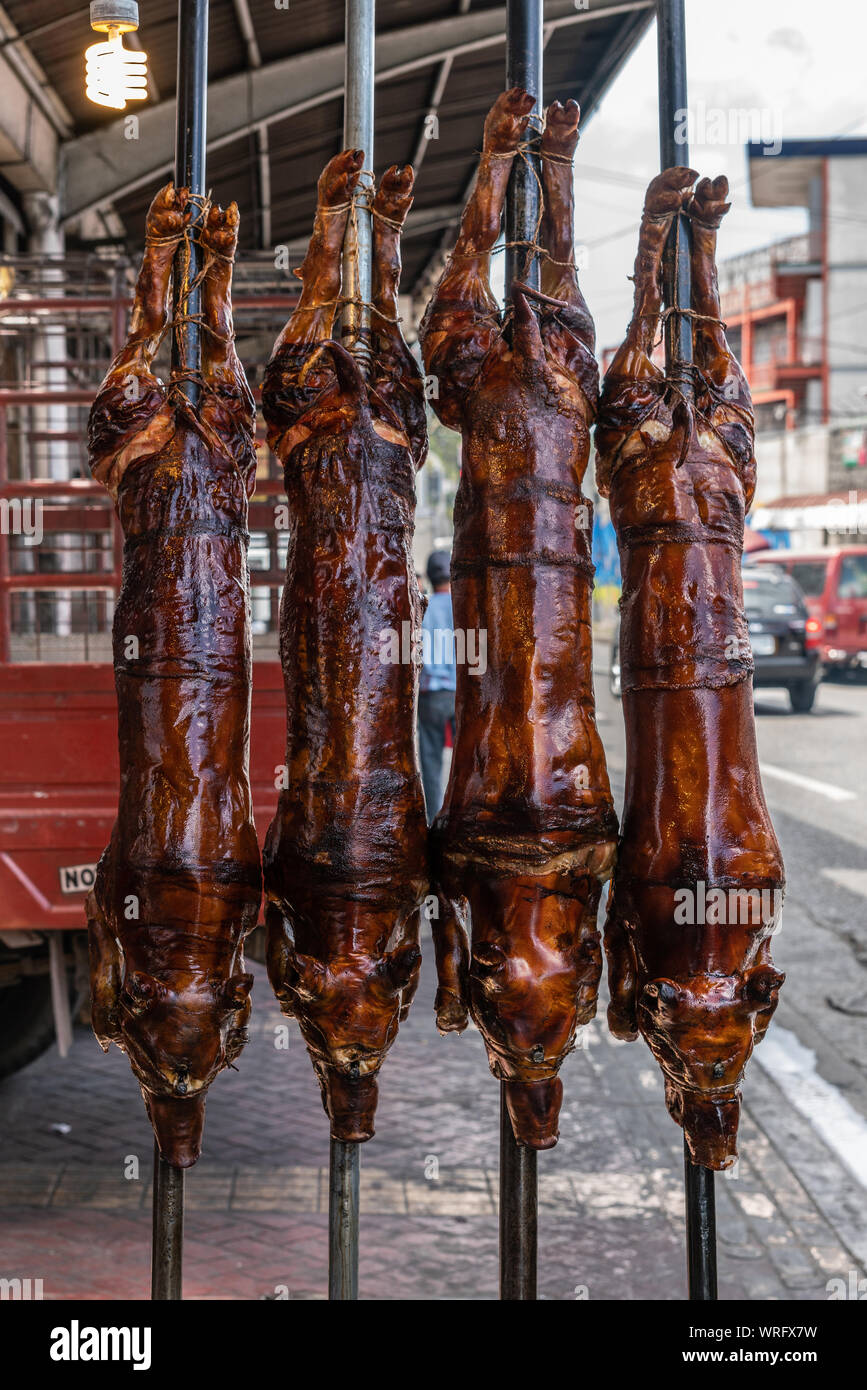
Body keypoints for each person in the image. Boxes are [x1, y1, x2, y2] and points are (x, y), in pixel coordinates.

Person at [417, 549, 456, 822]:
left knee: (430, 764)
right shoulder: (462, 606)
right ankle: (461, 817)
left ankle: (434, 819)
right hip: (460, 695)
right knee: (466, 761)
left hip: (429, 696)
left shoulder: (424, 607)